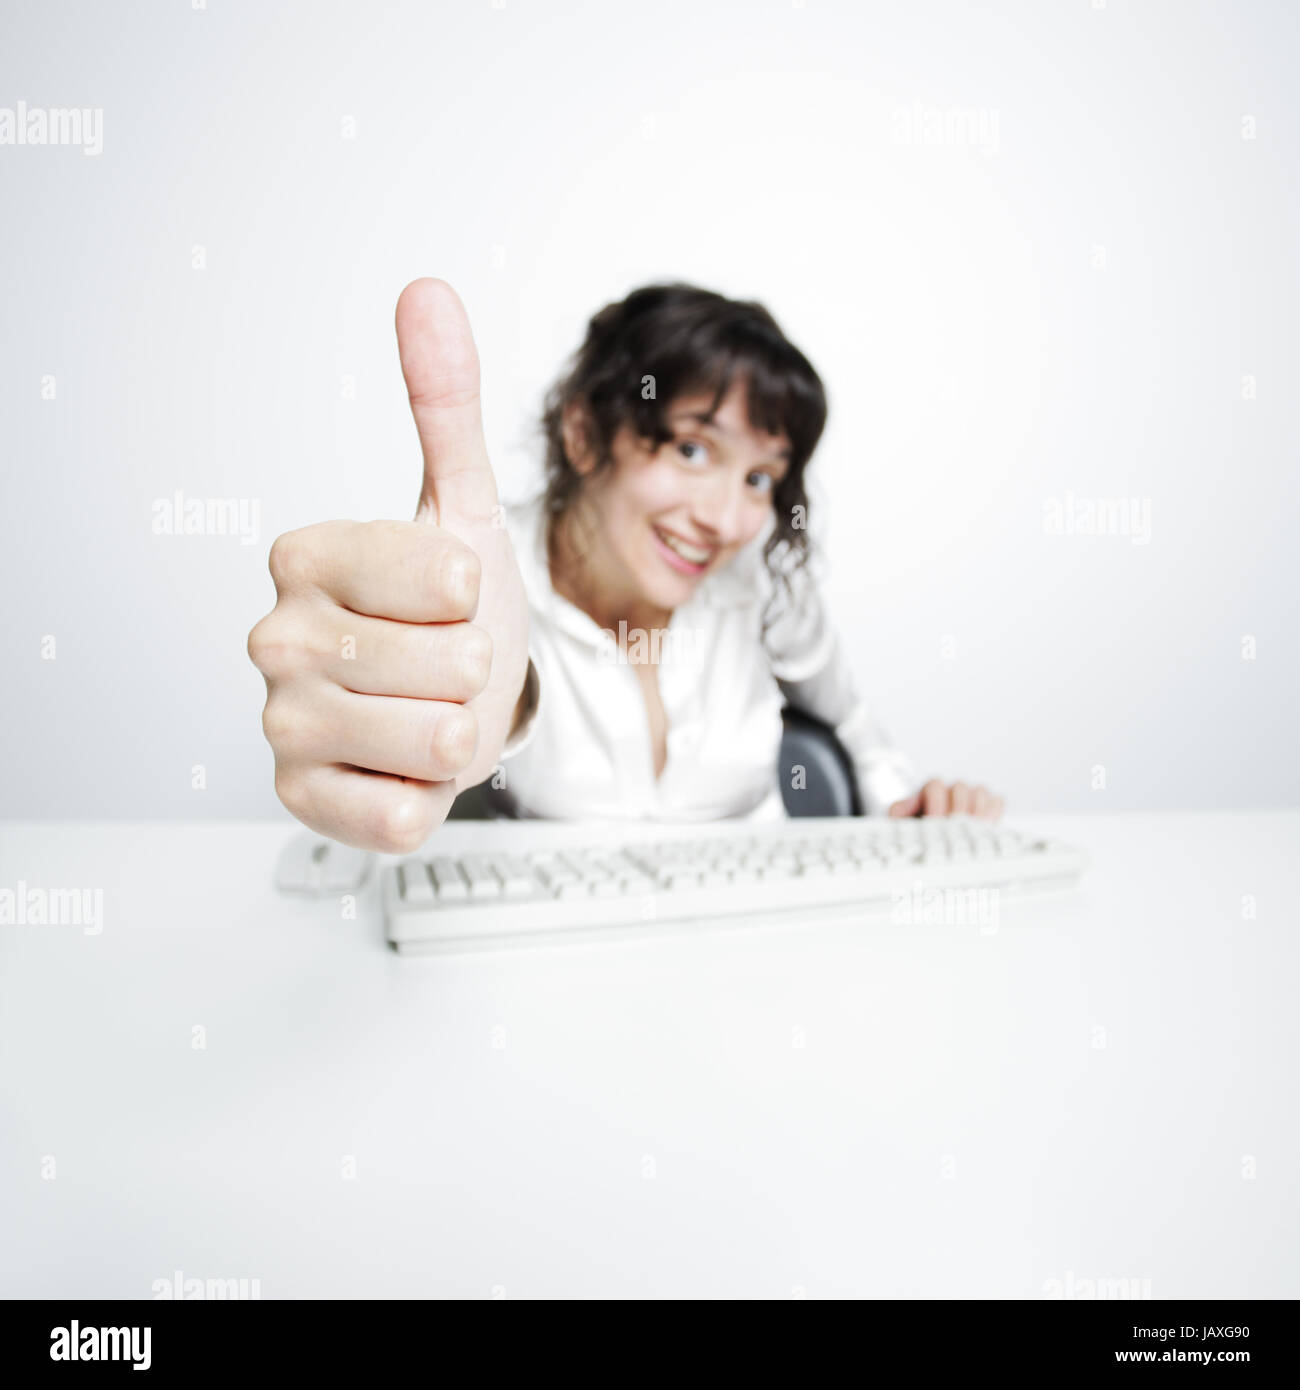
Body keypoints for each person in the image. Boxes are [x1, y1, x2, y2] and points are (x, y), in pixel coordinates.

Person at [248, 279, 1003, 852]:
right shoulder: (481, 577)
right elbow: (477, 706)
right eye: (692, 449)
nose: (727, 518)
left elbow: (855, 728)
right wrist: (436, 706)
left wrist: (909, 810)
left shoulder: (761, 584)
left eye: (760, 477)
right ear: (583, 434)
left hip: (766, 967)